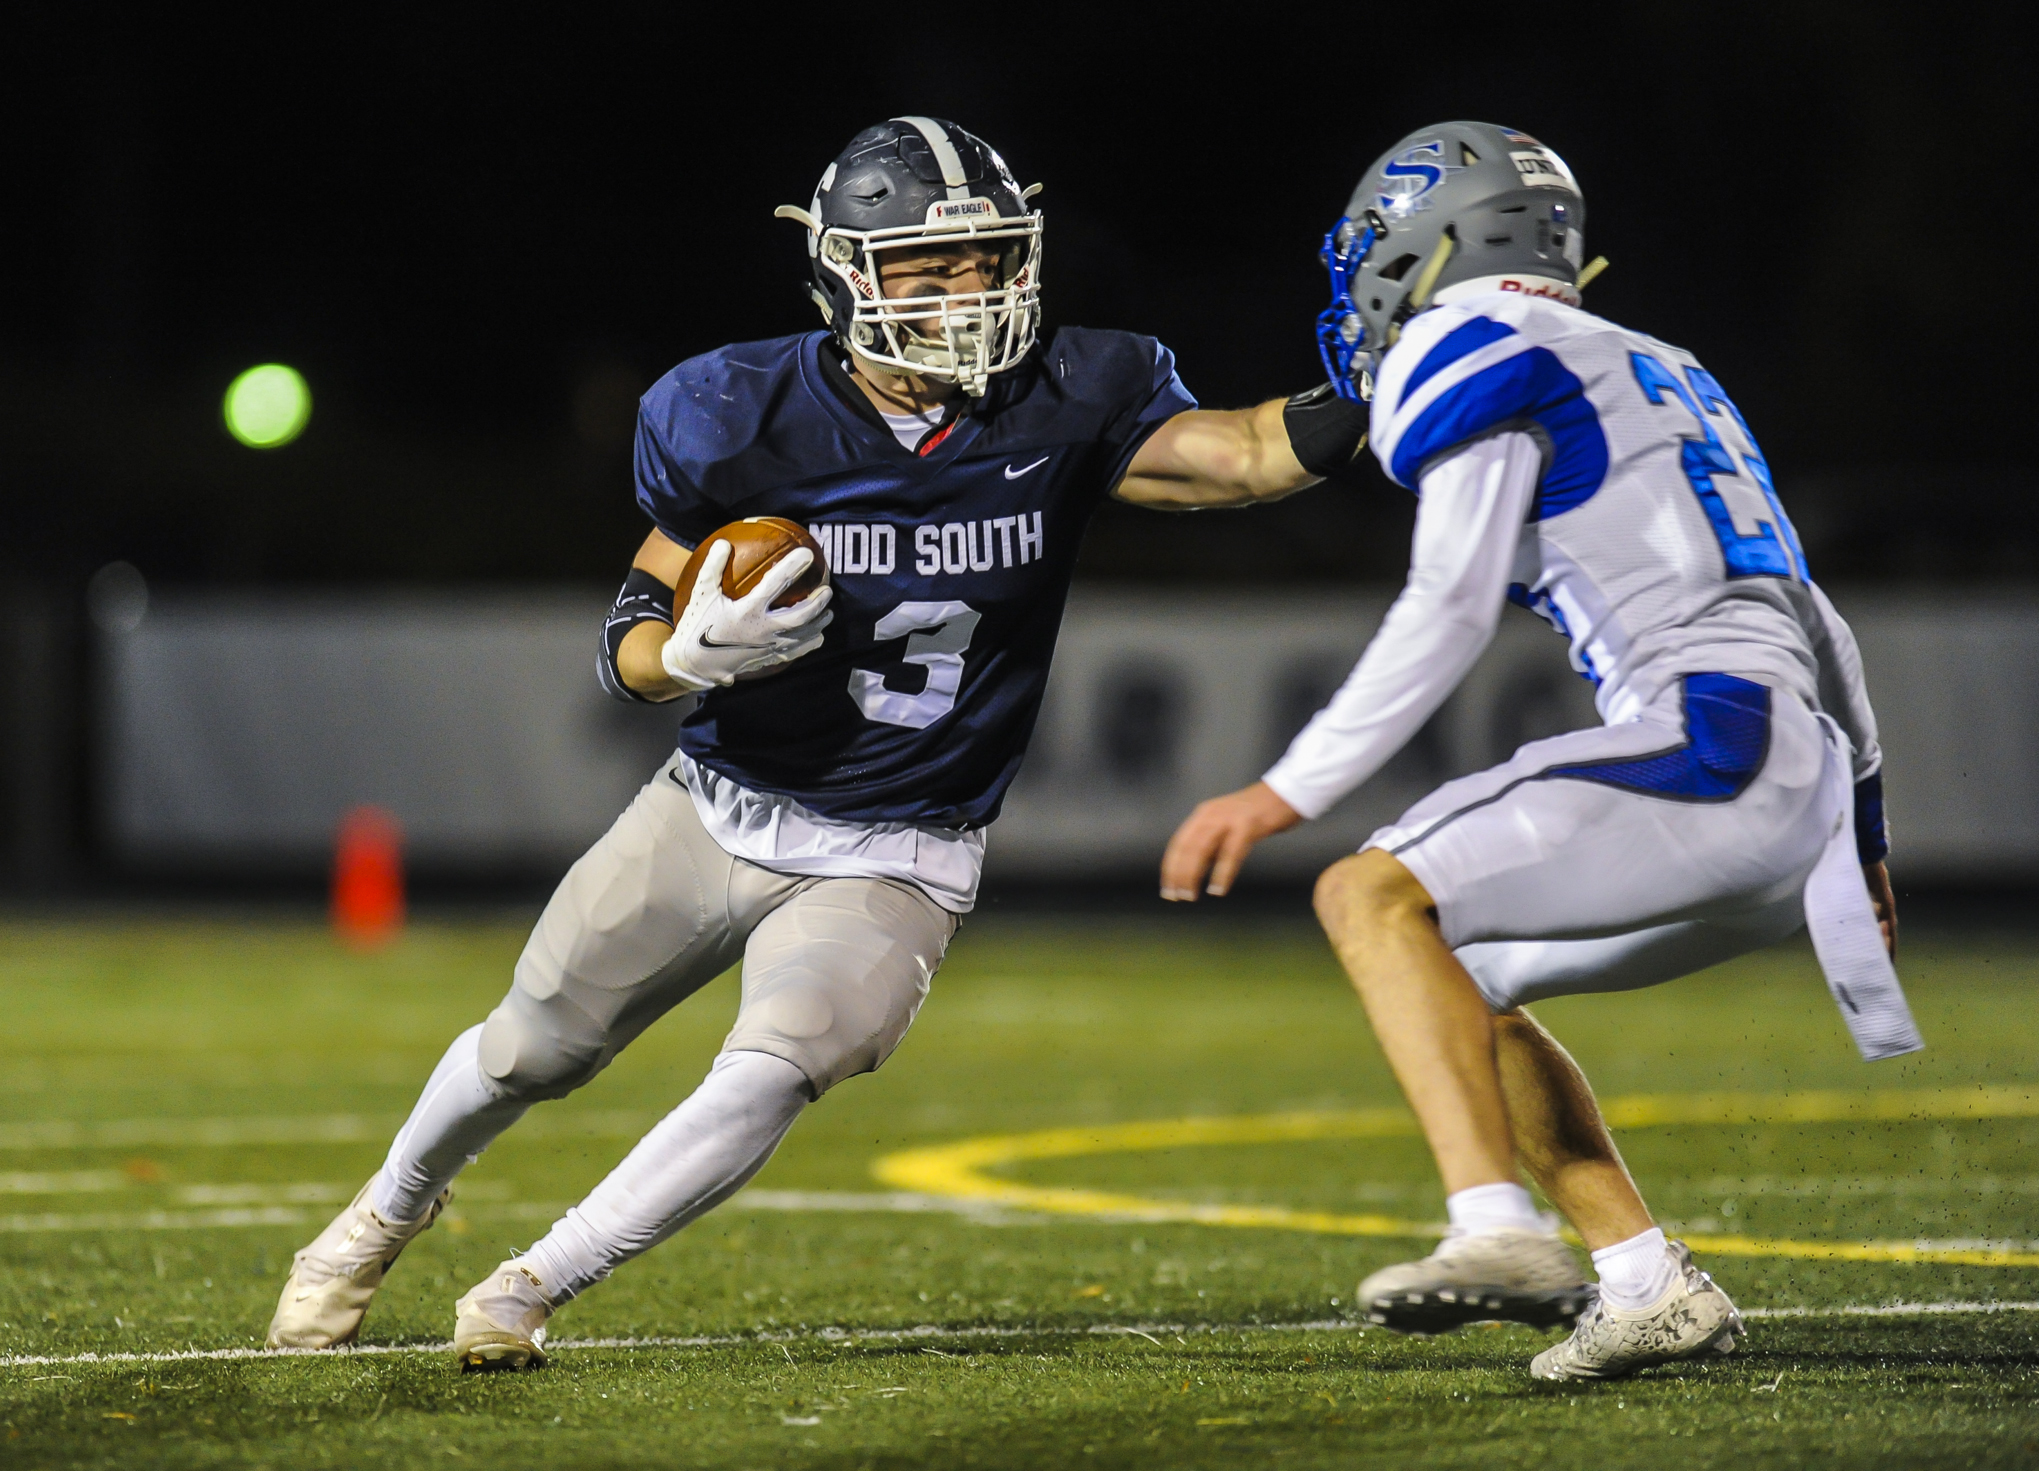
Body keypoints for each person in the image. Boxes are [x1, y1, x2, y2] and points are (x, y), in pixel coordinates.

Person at [265, 116, 1369, 1369]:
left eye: (991, 260)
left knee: (778, 1064)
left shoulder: (1068, 394)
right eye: (928, 269)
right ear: (845, 273)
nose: (971, 295)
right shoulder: (736, 411)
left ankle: (530, 1283)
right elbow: (633, 628)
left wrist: (1387, 385)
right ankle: (374, 1219)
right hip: (715, 800)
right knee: (530, 1048)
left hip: (900, 844)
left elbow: (1241, 456)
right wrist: (679, 659)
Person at [1160, 121, 1912, 1381]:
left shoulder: (1467, 341)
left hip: (1709, 741)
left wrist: (1282, 792)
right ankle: (1643, 1278)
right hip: (1790, 768)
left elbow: (1448, 602)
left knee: (1366, 891)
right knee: (1458, 975)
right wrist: (1867, 836)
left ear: (1424, 240)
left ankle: (1493, 1231)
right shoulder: (1661, 361)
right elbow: (1813, 613)